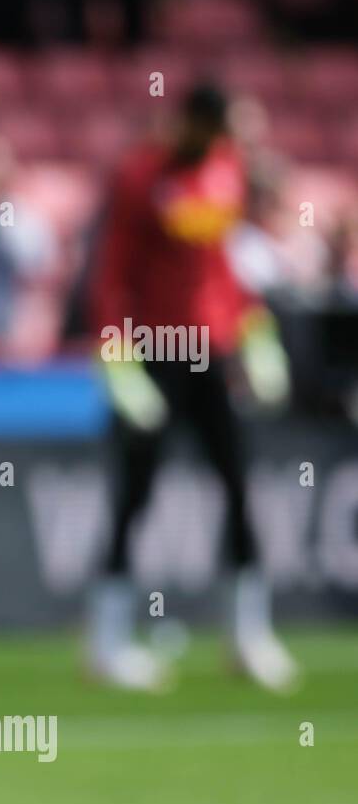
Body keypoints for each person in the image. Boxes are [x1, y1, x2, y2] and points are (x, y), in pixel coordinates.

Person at [85, 82, 297, 692]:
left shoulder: (227, 170)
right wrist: (117, 357)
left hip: (215, 350)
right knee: (136, 492)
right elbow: (114, 268)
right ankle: (108, 641)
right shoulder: (141, 175)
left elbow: (222, 264)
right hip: (154, 352)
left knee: (237, 482)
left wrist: (255, 332)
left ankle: (248, 637)